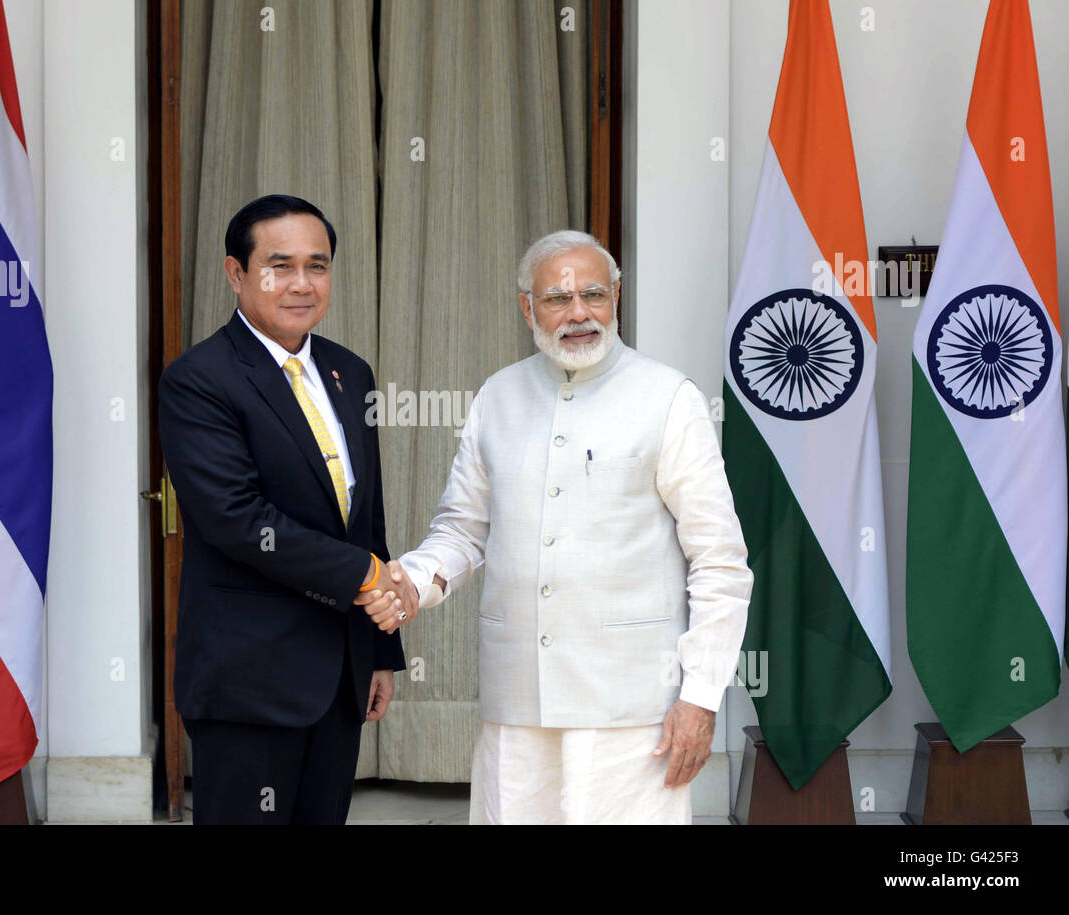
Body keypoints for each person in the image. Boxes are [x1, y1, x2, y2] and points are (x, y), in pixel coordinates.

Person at [357, 229, 753, 824]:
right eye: (557, 299)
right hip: (518, 701)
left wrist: (700, 696)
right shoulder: (498, 396)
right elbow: (463, 530)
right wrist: (411, 579)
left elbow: (719, 559)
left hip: (631, 705)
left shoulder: (668, 397)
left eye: (593, 295)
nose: (578, 314)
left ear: (617, 295)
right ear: (527, 307)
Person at [159, 194, 408, 824]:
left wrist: (380, 650)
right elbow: (237, 518)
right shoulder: (200, 379)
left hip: (341, 673)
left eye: (318, 266)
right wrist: (366, 579)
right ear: (236, 273)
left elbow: (365, 518)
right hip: (250, 679)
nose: (302, 284)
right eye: (280, 266)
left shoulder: (351, 373)